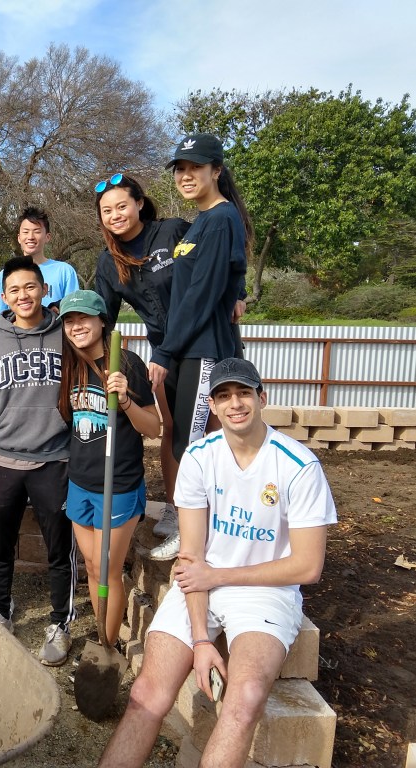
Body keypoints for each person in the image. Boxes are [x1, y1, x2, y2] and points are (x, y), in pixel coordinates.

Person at [98, 358, 337, 768]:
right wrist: (201, 640)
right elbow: (191, 558)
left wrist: (217, 575)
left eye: (244, 393)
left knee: (244, 701)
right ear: (211, 405)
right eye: (224, 396)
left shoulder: (298, 466)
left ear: (262, 398)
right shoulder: (199, 457)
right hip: (200, 583)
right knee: (146, 694)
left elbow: (307, 566)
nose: (235, 403)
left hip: (265, 592)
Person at [0, 256, 77, 667]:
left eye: (30, 287)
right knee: (0, 543)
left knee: (59, 548)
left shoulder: (65, 336)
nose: (23, 296)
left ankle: (60, 622)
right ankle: (0, 609)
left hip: (55, 459)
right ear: (3, 296)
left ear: (45, 290)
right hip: (3, 460)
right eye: (13, 290)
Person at [148, 135, 253, 560]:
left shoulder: (221, 218)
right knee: (188, 443)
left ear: (216, 171)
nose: (186, 175)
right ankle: (200, 530)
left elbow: (201, 294)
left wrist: (164, 351)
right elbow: (229, 273)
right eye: (180, 169)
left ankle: (193, 539)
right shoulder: (204, 220)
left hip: (203, 349)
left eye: (195, 167)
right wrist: (238, 292)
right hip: (187, 348)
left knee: (191, 447)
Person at [92, 174, 192, 553]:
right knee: (173, 431)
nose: (115, 215)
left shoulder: (172, 231)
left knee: (210, 431)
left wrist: (239, 295)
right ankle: (175, 508)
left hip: (203, 343)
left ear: (138, 203)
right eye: (107, 211)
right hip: (164, 356)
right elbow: (103, 318)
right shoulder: (109, 261)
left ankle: (215, 511)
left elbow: (214, 266)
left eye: (121, 205)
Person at [57, 290, 160, 646]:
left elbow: (153, 428)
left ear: (102, 321)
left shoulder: (126, 364)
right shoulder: (69, 365)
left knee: (107, 571)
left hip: (117, 484)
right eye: (69, 321)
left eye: (84, 318)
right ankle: (104, 634)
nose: (76, 326)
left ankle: (107, 646)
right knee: (91, 565)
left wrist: (126, 400)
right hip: (80, 481)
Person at [0, 207, 79, 315]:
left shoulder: (64, 271)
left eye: (37, 231)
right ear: (19, 238)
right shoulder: (6, 274)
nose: (30, 237)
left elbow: (73, 310)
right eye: (25, 232)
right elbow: (2, 314)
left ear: (47, 237)